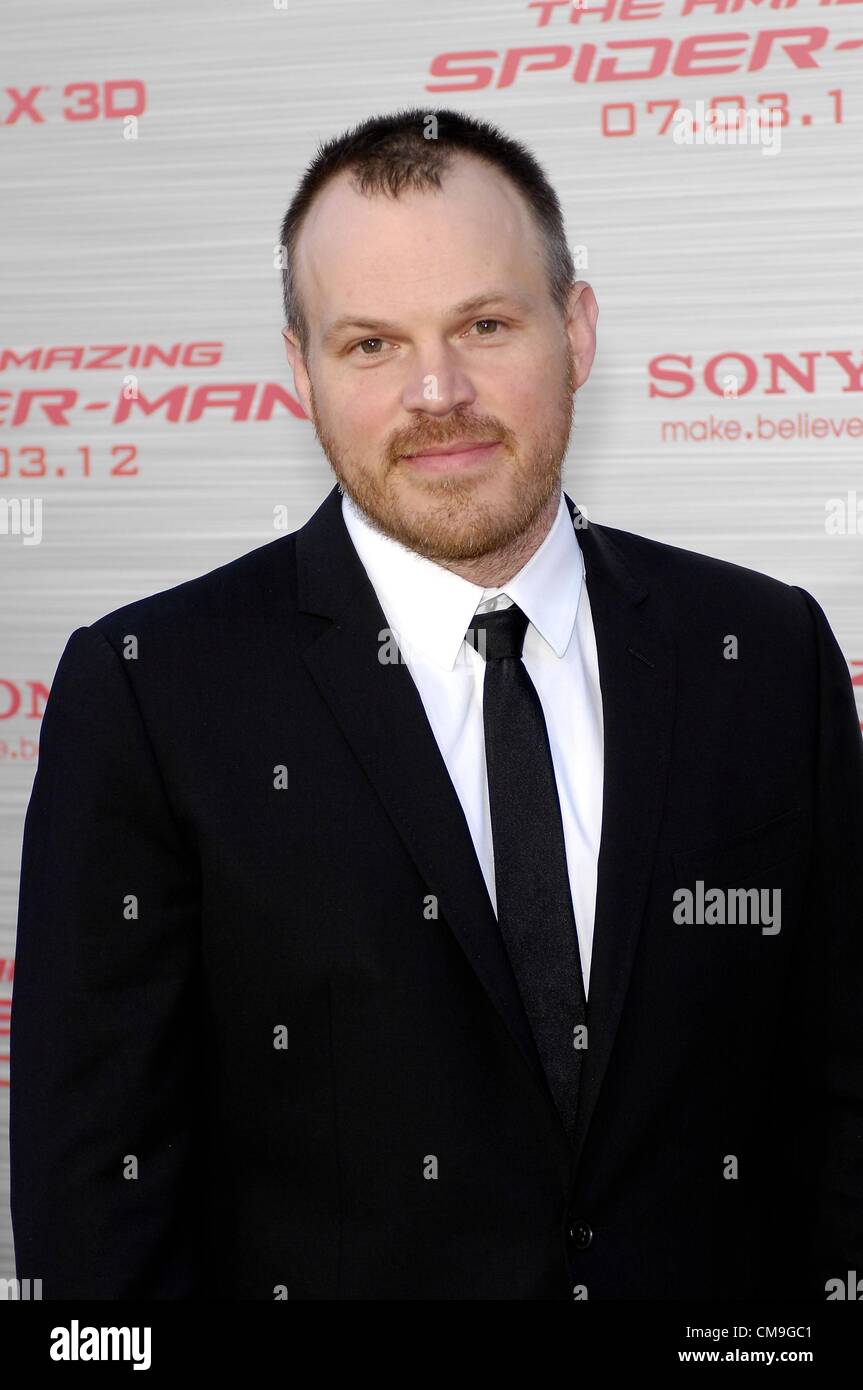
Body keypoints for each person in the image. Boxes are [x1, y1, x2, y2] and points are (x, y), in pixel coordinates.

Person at [10, 107, 863, 1300]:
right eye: (370, 345)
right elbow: (97, 1191)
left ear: (575, 328)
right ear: (299, 368)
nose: (436, 390)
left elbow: (836, 1101)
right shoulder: (152, 689)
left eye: (484, 323)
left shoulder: (764, 652)